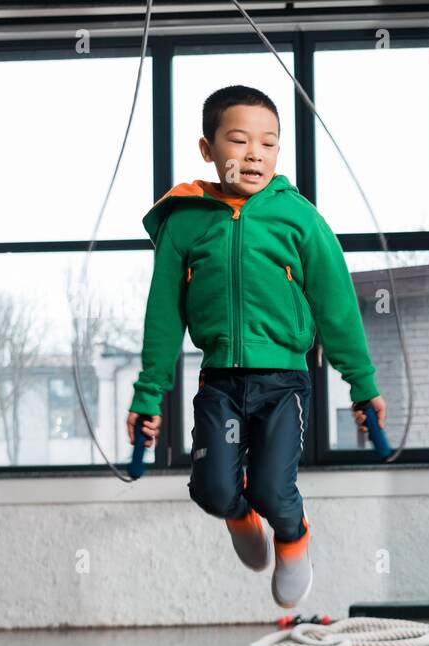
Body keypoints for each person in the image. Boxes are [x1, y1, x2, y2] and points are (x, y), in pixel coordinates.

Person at [127, 85, 388, 608]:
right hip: (220, 382)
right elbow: (163, 317)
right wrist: (146, 396)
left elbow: (337, 310)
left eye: (269, 144)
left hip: (283, 382)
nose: (254, 155)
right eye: (240, 141)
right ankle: (240, 516)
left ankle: (292, 538)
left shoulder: (299, 219)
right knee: (212, 491)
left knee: (273, 487)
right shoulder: (184, 221)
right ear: (208, 149)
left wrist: (363, 388)